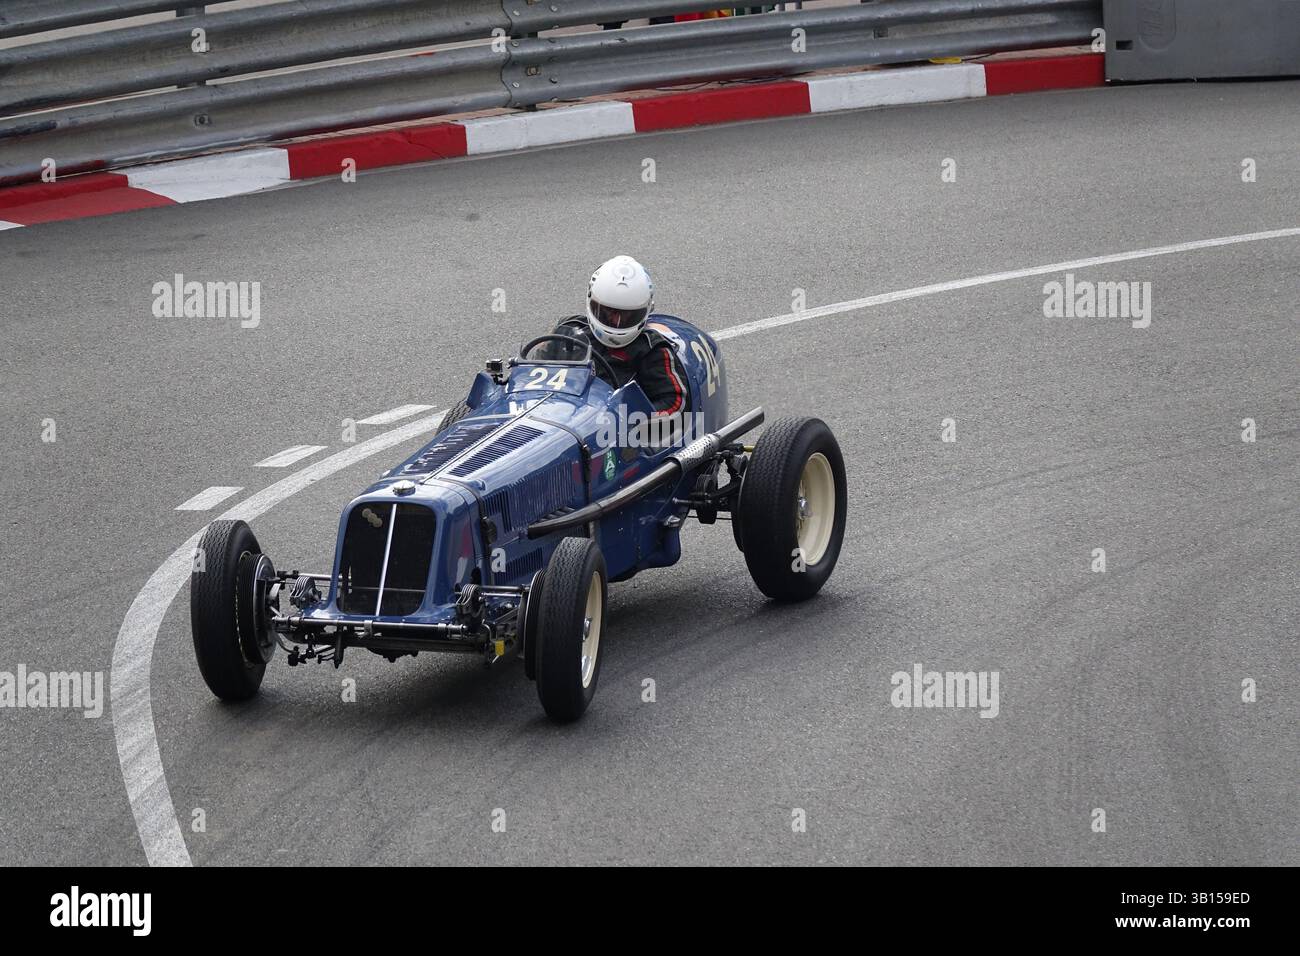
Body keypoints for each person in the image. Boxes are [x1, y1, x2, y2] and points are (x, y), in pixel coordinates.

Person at [549, 255, 689, 417]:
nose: (616, 321)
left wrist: (625, 419)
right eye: (608, 312)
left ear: (645, 311)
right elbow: (531, 377)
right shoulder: (568, 331)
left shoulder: (651, 350)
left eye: (627, 315)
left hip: (614, 435)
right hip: (559, 416)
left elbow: (675, 404)